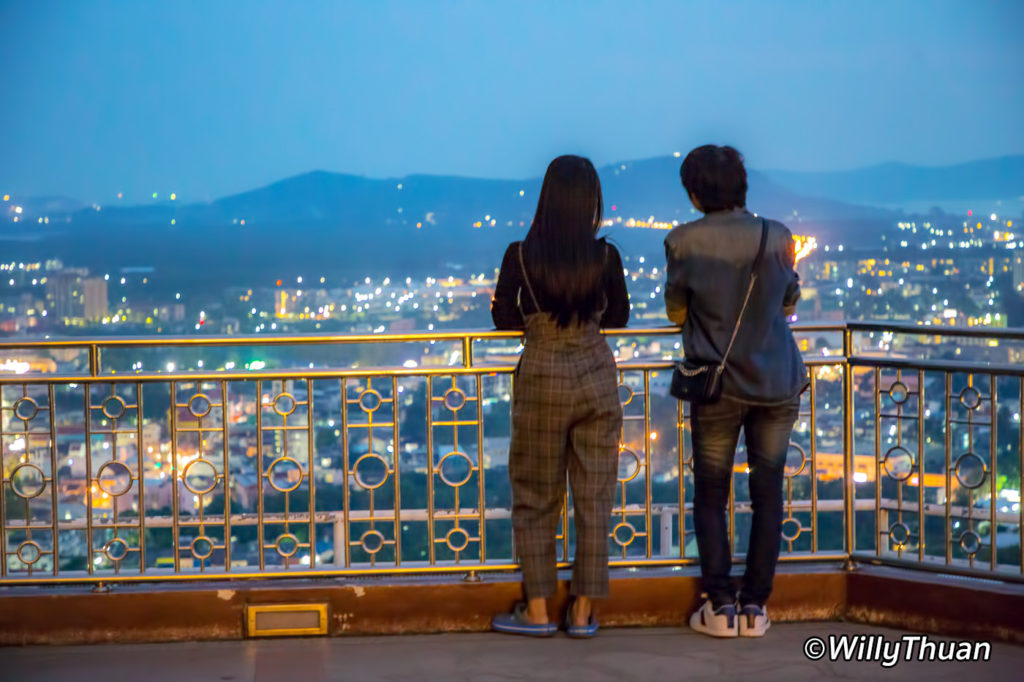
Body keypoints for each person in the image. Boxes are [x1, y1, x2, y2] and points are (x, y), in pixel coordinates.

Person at [663, 145, 807, 638]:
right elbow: (789, 302)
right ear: (742, 187)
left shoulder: (683, 242)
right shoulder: (778, 236)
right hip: (776, 381)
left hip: (718, 385)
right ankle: (756, 607)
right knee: (767, 495)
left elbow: (675, 312)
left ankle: (720, 604)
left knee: (711, 493)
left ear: (694, 191)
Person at [490, 155, 629, 638]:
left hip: (542, 375)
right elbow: (621, 316)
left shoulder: (520, 256)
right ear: (592, 201)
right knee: (594, 498)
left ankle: (537, 611)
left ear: (546, 198)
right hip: (595, 374)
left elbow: (503, 318)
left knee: (534, 497)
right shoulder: (605, 257)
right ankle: (585, 611)